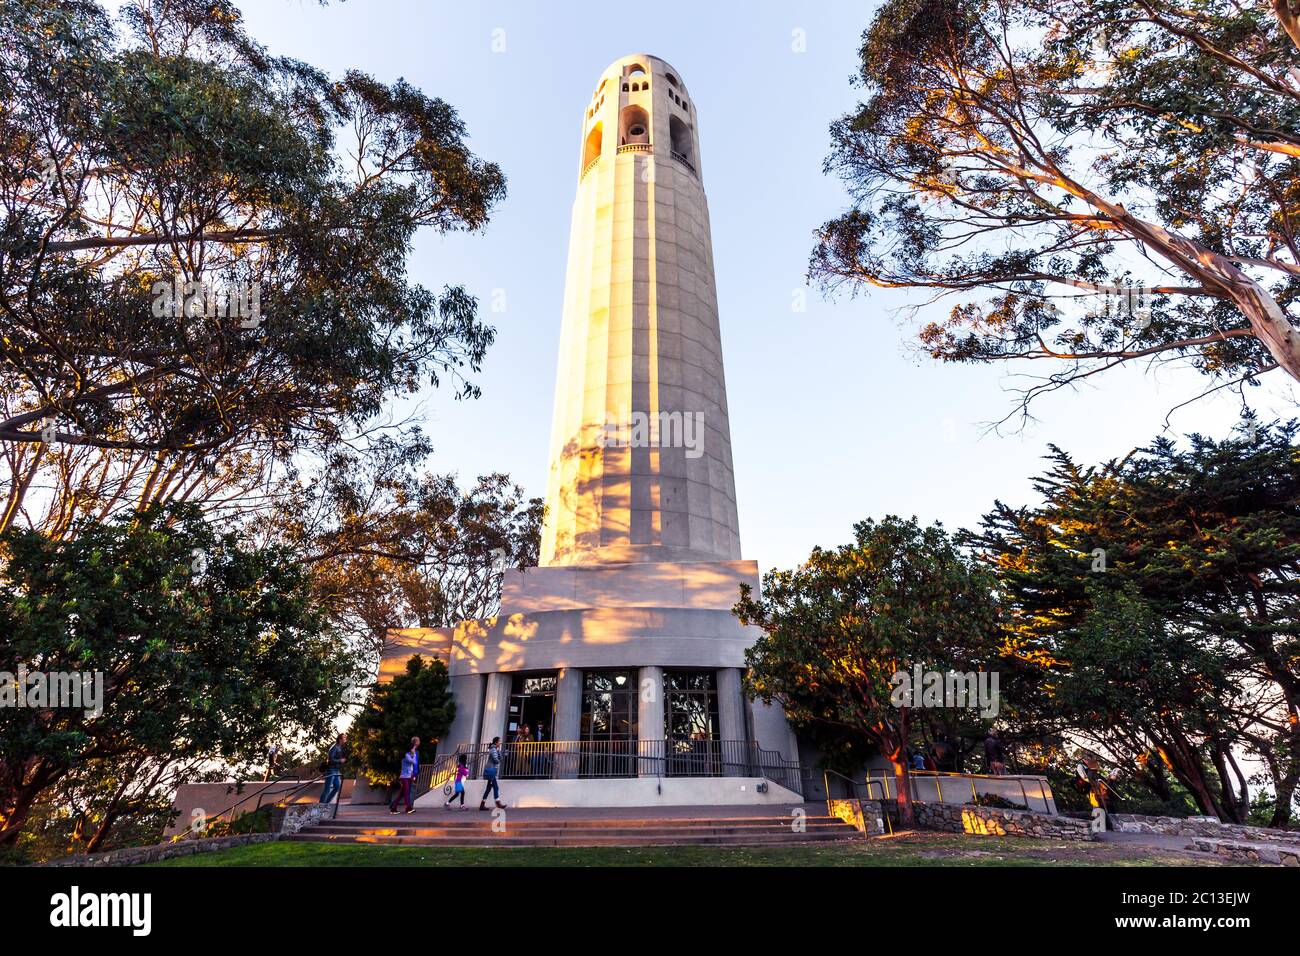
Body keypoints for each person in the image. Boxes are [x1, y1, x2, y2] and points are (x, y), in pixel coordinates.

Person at [390, 736, 420, 814]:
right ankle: (408, 808)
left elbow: (414, 762)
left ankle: (393, 807)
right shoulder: (406, 755)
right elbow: (414, 762)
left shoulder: (410, 755)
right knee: (406, 793)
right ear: (410, 749)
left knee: (402, 794)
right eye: (413, 748)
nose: (414, 749)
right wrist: (414, 754)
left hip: (408, 776)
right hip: (404, 777)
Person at [480, 736, 506, 811]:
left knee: (488, 788)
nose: (500, 743)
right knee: (495, 787)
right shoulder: (493, 749)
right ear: (496, 742)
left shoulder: (495, 749)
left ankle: (482, 804)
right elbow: (496, 759)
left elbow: (500, 758)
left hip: (492, 771)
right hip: (491, 771)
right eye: (499, 741)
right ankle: (498, 803)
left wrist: (499, 752)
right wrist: (498, 760)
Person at [319, 733, 346, 804]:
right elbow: (330, 759)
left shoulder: (339, 747)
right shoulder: (334, 747)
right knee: (327, 789)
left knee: (337, 786)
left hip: (336, 770)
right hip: (331, 769)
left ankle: (326, 803)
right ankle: (321, 805)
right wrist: (340, 760)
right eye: (344, 738)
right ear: (340, 739)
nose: (345, 739)